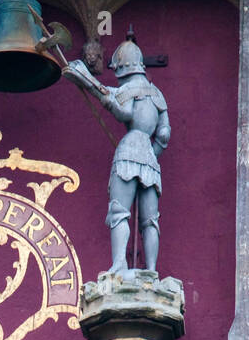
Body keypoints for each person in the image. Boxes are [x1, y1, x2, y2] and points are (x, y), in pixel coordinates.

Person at [64, 37, 170, 275]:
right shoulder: (157, 94)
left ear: (122, 68)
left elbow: (124, 111)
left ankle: (120, 264)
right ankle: (151, 270)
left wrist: (95, 89)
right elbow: (163, 134)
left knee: (119, 211)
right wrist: (149, 155)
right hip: (150, 161)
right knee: (150, 220)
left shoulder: (129, 88)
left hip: (129, 150)